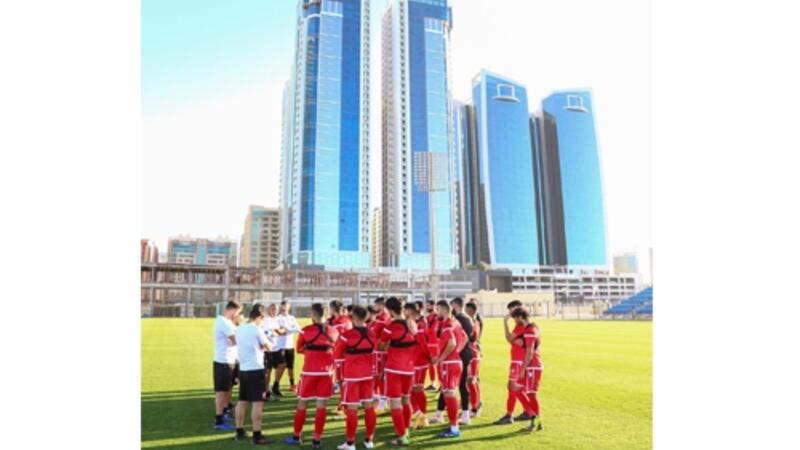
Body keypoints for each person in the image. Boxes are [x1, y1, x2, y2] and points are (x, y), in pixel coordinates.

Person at [285, 303, 340, 449]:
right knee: (321, 406)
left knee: (302, 404)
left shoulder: (305, 331)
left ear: (314, 315)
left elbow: (299, 349)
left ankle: (296, 436)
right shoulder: (334, 331)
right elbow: (337, 351)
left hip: (309, 372)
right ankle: (316, 440)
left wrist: (311, 352)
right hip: (327, 373)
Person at [378, 297, 425, 446]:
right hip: (409, 369)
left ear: (390, 310)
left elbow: (381, 346)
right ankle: (406, 431)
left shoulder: (390, 326)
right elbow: (418, 341)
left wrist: (388, 346)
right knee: (406, 399)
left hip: (394, 369)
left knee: (395, 403)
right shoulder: (412, 324)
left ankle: (402, 436)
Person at [333, 305, 378, 450]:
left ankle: (350, 443)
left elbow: (337, 355)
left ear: (353, 317)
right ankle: (369, 440)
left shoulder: (347, 335)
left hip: (352, 375)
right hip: (368, 374)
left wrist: (338, 377)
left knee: (352, 409)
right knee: (368, 407)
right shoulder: (372, 334)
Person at [234, 304, 274, 445]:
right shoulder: (257, 330)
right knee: (258, 403)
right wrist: (271, 340)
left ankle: (239, 431)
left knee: (242, 401)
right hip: (256, 369)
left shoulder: (240, 329)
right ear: (260, 317)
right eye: (262, 319)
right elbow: (269, 347)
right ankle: (257, 436)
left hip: (243, 369)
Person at [430, 297, 474, 426]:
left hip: (449, 363)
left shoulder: (448, 325)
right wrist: (456, 352)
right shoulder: (455, 322)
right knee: (448, 391)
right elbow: (465, 338)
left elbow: (452, 343)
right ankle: (445, 419)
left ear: (443, 310)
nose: (436, 313)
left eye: (437, 310)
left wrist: (442, 358)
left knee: (449, 392)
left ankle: (454, 427)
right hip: (454, 360)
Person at [508, 307, 544, 433]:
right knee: (516, 388)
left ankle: (536, 421)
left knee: (531, 394)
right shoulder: (534, 327)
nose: (515, 321)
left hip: (532, 366)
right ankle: (533, 415)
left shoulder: (530, 330)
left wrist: (523, 369)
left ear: (520, 317)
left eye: (515, 319)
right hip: (532, 365)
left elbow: (529, 351)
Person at [495, 299, 531, 425]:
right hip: (518, 359)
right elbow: (512, 340)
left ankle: (512, 414)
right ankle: (527, 411)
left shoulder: (521, 325)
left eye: (511, 309)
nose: (509, 313)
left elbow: (509, 338)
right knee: (515, 388)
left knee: (513, 387)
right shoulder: (519, 325)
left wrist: (505, 323)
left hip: (519, 361)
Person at [213, 300, 243, 431]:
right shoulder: (224, 322)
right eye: (238, 312)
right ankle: (219, 420)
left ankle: (224, 412)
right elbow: (237, 339)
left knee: (228, 389)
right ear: (232, 310)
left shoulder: (228, 322)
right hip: (223, 361)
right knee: (221, 392)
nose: (238, 315)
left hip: (231, 360)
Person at [407, 301, 431, 429]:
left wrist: (428, 356)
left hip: (417, 362)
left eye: (406, 310)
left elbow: (422, 343)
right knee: (418, 390)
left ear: (410, 311)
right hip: (418, 361)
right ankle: (422, 417)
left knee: (411, 390)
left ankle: (419, 415)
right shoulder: (420, 323)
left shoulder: (419, 325)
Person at [328, 300, 353, 417]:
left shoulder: (339, 322)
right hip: (343, 356)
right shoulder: (345, 320)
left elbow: (337, 340)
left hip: (341, 356)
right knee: (342, 382)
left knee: (343, 382)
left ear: (333, 309)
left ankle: (345, 408)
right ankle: (342, 405)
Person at [274, 300, 301, 395]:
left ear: (289, 307)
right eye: (283, 306)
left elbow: (298, 329)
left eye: (286, 306)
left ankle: (292, 385)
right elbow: (279, 331)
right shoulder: (278, 318)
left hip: (290, 345)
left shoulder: (292, 318)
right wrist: (288, 329)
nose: (284, 308)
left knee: (290, 366)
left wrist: (288, 329)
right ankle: (276, 384)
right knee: (280, 366)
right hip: (280, 346)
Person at [262, 303, 286, 401]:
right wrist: (274, 332)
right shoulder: (266, 320)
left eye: (275, 309)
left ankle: (275, 385)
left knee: (283, 364)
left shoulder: (276, 320)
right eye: (272, 309)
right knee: (268, 371)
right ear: (268, 310)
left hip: (276, 348)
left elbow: (282, 330)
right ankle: (266, 392)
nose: (274, 311)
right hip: (268, 349)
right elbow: (266, 332)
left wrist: (278, 331)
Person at [370, 297, 390, 410]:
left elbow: (373, 332)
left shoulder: (383, 318)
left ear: (381, 306)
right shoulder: (382, 317)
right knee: (378, 376)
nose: (375, 308)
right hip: (379, 350)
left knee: (379, 376)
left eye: (376, 305)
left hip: (380, 351)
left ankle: (382, 401)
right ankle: (381, 399)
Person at [464, 301, 483, 417]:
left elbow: (473, 338)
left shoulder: (474, 322)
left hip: (473, 355)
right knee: (470, 380)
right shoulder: (471, 321)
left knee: (471, 380)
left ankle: (475, 408)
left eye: (466, 310)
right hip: (470, 354)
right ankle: (475, 404)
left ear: (470, 310)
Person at [424, 299, 440, 391]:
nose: (427, 307)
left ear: (433, 306)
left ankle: (441, 384)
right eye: (426, 306)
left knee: (437, 364)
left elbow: (433, 330)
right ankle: (433, 382)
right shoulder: (428, 317)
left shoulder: (436, 317)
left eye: (429, 305)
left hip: (435, 344)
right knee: (430, 364)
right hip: (429, 343)